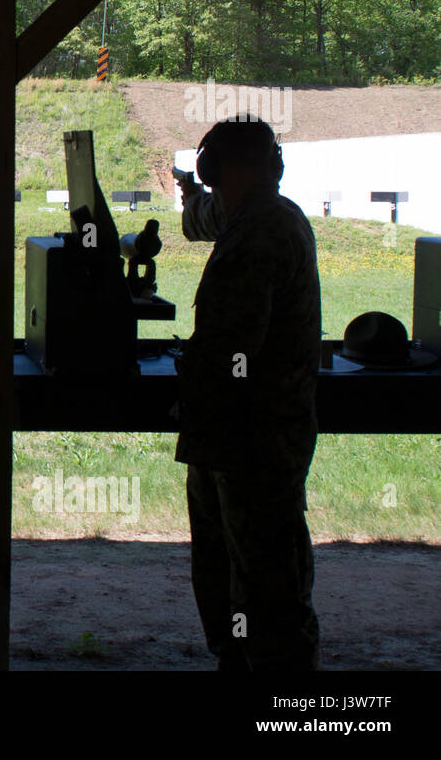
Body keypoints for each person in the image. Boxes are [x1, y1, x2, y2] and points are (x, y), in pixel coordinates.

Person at [174, 116, 321, 670]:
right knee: (239, 589)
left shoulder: (260, 230)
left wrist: (191, 375)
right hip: (243, 440)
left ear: (218, 169)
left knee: (267, 599)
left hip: (250, 443)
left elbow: (233, 347)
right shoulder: (261, 214)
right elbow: (203, 221)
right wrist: (189, 195)